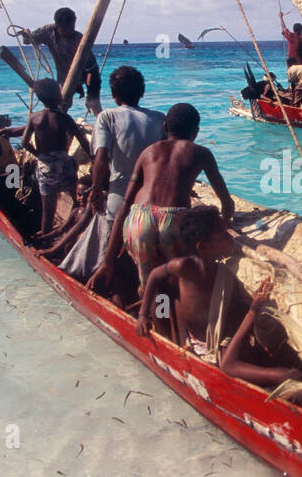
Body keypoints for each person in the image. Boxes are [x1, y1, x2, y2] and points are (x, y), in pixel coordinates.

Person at [88, 102, 234, 295]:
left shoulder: (147, 152)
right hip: (175, 219)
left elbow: (125, 206)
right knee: (176, 282)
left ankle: (156, 318)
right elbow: (226, 201)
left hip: (139, 218)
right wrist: (225, 221)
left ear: (165, 127)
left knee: (151, 285)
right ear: (196, 132)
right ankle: (174, 319)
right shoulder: (201, 152)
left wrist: (107, 261)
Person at [60, 65, 164, 281]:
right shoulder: (159, 118)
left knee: (107, 251)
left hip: (120, 200)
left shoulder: (107, 117)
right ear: (142, 92)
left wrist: (96, 190)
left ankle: (101, 282)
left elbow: (101, 158)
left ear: (115, 96)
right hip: (153, 202)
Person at [136, 204, 235, 350]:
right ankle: (166, 337)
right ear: (202, 247)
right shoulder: (184, 266)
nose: (230, 237)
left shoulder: (221, 270)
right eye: (223, 234)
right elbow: (154, 276)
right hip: (195, 340)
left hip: (214, 335)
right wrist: (142, 315)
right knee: (161, 297)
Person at [20, 78, 91, 236]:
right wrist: (92, 157)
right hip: (65, 164)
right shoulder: (64, 118)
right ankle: (72, 231)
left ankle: (46, 237)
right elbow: (82, 140)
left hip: (46, 166)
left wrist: (39, 154)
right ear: (58, 96)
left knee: (48, 209)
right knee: (74, 199)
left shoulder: (35, 117)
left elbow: (24, 142)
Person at [20, 8, 102, 116]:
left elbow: (91, 70)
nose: (69, 31)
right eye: (65, 29)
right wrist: (26, 34)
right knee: (60, 105)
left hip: (89, 75)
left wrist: (89, 94)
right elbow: (28, 41)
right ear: (57, 24)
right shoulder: (48, 31)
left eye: (71, 27)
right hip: (65, 76)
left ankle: (104, 126)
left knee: (93, 103)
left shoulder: (79, 40)